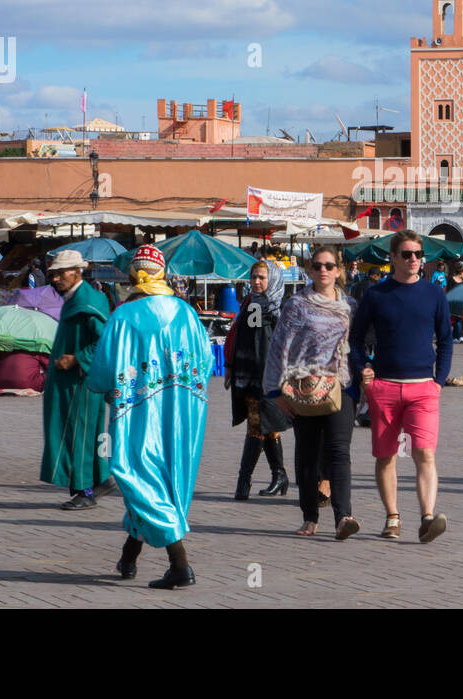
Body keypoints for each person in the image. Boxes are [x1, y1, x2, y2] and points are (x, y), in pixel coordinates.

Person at [89, 244, 212, 589]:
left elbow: (101, 372)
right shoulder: (186, 313)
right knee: (167, 480)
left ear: (132, 276)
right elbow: (205, 361)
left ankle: (180, 563)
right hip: (185, 412)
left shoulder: (124, 315)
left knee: (137, 474)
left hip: (138, 411)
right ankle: (129, 558)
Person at [349, 229, 453, 542]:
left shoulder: (435, 295)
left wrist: (439, 381)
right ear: (392, 257)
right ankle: (392, 518)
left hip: (423, 388)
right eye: (406, 254)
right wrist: (363, 368)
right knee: (386, 456)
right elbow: (355, 338)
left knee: (424, 453)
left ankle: (427, 518)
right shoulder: (376, 294)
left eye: (418, 255)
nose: (413, 260)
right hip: (385, 387)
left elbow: (446, 340)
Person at [264, 246, 362, 539]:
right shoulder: (296, 305)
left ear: (338, 270)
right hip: (303, 387)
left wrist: (364, 381)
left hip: (340, 387)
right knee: (307, 453)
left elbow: (359, 347)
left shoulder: (350, 307)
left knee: (339, 451)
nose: (323, 270)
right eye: (318, 265)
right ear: (309, 269)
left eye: (329, 266)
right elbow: (279, 347)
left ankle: (344, 516)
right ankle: (309, 516)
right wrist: (275, 392)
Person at [41, 249, 117, 510]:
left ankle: (85, 491)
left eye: (60, 274)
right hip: (69, 383)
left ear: (76, 272)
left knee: (80, 436)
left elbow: (104, 342)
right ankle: (101, 480)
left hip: (81, 383)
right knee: (80, 433)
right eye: (54, 274)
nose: (55, 279)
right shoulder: (77, 299)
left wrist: (76, 359)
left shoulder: (87, 301)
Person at [225, 259, 291, 500]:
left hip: (267, 376)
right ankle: (279, 475)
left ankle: (244, 482)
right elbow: (243, 338)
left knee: (257, 425)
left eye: (262, 277)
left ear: (271, 279)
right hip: (250, 373)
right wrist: (231, 366)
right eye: (253, 277)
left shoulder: (275, 306)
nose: (256, 282)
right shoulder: (251, 303)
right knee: (266, 426)